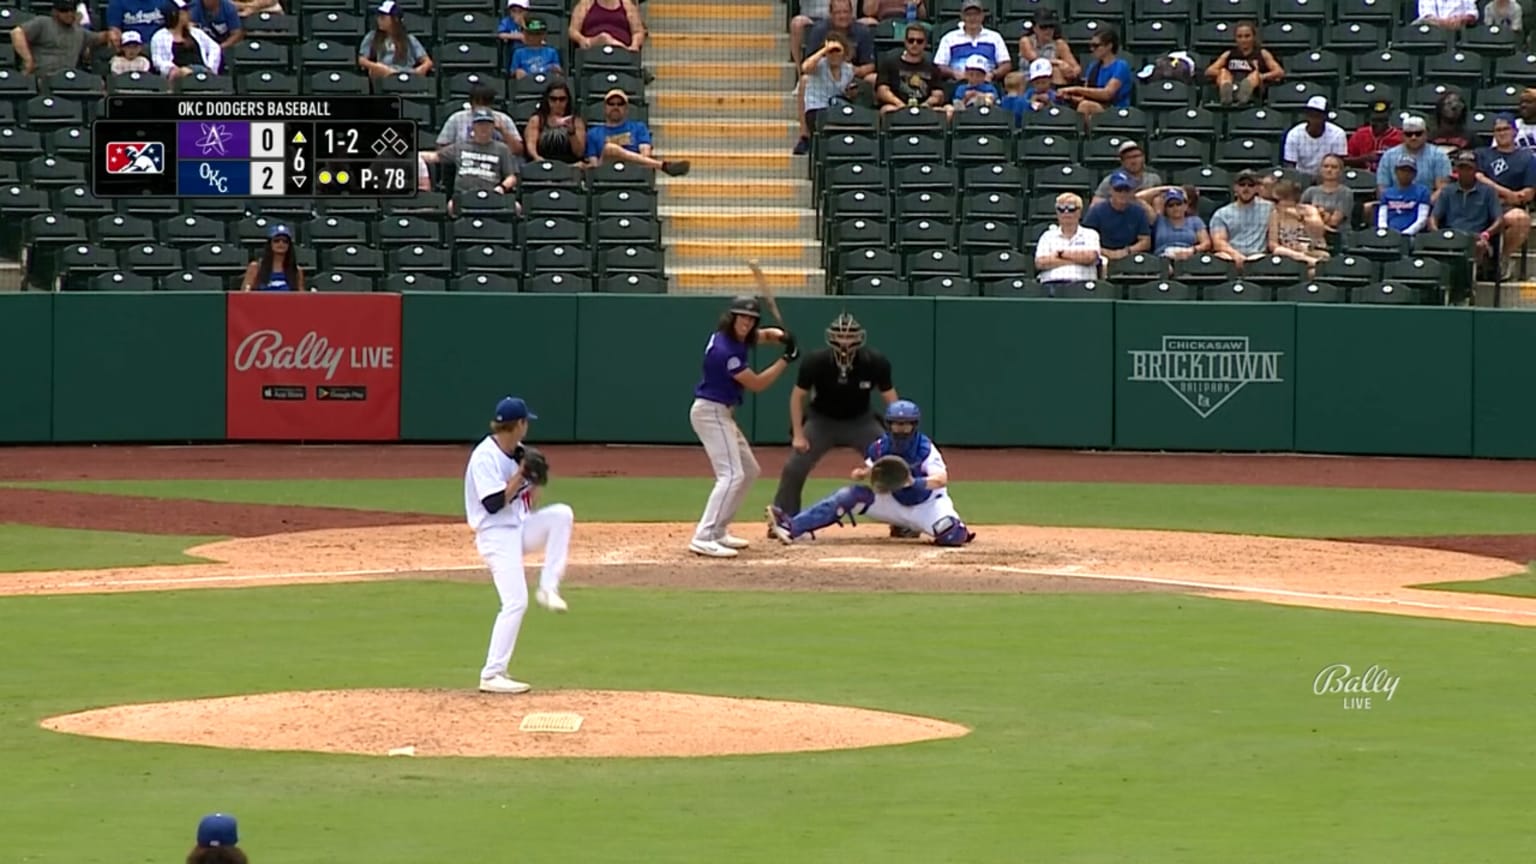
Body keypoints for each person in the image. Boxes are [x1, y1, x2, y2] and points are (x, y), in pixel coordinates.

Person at [464, 396, 572, 694]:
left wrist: (534, 482)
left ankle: (548, 588)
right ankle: (492, 674)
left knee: (562, 515)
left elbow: (528, 502)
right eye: (526, 423)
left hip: (518, 528)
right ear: (520, 424)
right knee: (515, 601)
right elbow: (493, 504)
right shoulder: (485, 457)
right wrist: (521, 474)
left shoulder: (519, 452)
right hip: (495, 535)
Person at [767, 400, 976, 548]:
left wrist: (913, 482)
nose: (900, 429)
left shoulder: (925, 448)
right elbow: (874, 468)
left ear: (914, 426)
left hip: (927, 505)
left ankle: (955, 528)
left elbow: (941, 480)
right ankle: (792, 527)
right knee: (848, 495)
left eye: (905, 425)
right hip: (893, 503)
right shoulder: (880, 446)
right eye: (896, 424)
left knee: (950, 534)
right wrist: (863, 473)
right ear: (889, 425)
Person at [689, 292, 798, 559]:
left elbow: (763, 336)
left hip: (720, 413)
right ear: (732, 317)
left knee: (749, 470)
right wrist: (786, 359)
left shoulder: (733, 337)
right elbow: (757, 384)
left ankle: (718, 531)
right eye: (742, 318)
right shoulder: (726, 352)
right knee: (731, 475)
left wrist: (782, 337)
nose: (746, 323)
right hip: (711, 412)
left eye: (751, 319)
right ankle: (704, 536)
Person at [770, 312, 900, 525]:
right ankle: (784, 518)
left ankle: (902, 521)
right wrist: (798, 434)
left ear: (859, 337)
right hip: (822, 421)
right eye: (840, 336)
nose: (845, 342)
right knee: (795, 466)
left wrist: (896, 433)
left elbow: (891, 398)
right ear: (831, 337)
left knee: (892, 464)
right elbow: (797, 396)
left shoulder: (874, 361)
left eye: (850, 336)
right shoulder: (815, 361)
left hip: (861, 421)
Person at [1477, 113, 1536, 278]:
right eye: (1498, 130)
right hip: (1479, 203)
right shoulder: (1482, 154)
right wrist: (1507, 193)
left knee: (1521, 219)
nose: (1502, 133)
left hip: (1506, 208)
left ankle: (1501, 259)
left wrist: (1509, 196)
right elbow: (1477, 178)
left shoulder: (1527, 158)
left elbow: (1528, 194)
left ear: (1515, 132)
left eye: (1506, 129)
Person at [420, 109, 519, 203]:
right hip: (463, 195)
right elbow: (434, 156)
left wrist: (502, 187)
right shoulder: (460, 146)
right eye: (480, 124)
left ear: (493, 127)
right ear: (473, 126)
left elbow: (512, 177)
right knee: (451, 206)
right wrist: (415, 155)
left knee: (516, 207)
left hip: (492, 194)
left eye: (487, 125)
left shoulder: (502, 149)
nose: (484, 128)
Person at [585, 89, 691, 176]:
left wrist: (623, 156)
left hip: (634, 172)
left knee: (612, 148)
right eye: (611, 104)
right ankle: (663, 166)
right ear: (605, 108)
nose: (615, 107)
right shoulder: (593, 133)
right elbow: (594, 164)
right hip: (606, 174)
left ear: (626, 109)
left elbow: (646, 154)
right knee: (610, 148)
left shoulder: (639, 128)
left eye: (620, 104)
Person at [11, 0, 105, 77]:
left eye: (72, 10)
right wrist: (28, 60)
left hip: (69, 78)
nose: (69, 13)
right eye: (64, 10)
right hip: (42, 76)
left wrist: (110, 34)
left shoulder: (79, 32)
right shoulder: (43, 23)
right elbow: (17, 33)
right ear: (54, 12)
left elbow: (100, 37)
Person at [1056, 26, 1132, 119]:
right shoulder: (1093, 67)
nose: (1092, 49)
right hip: (1097, 106)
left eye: (1096, 46)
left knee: (1086, 106)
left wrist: (1075, 89)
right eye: (1091, 46)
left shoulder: (1120, 66)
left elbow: (1107, 94)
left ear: (1109, 46)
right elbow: (1086, 95)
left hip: (1116, 109)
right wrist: (1070, 97)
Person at [1203, 20, 1283, 107]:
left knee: (1254, 75)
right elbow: (1209, 71)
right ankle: (1226, 96)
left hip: (1254, 88)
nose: (1243, 40)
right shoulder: (1229, 54)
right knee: (1223, 72)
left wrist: (1262, 76)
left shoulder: (1262, 53)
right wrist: (1226, 74)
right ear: (1235, 38)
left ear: (1254, 37)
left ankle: (1244, 96)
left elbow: (1279, 72)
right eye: (1239, 36)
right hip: (1232, 82)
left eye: (1247, 36)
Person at [800, 33, 860, 143]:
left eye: (838, 51)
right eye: (831, 52)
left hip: (836, 109)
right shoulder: (818, 65)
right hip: (816, 110)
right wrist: (824, 50)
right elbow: (805, 68)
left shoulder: (848, 69)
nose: (834, 55)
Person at [874, 22, 945, 114]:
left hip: (925, 107)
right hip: (897, 106)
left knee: (946, 110)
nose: (915, 44)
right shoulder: (890, 62)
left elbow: (938, 94)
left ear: (925, 43)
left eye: (919, 41)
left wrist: (925, 105)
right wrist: (900, 104)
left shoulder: (932, 66)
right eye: (911, 40)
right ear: (905, 41)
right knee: (887, 110)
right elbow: (882, 91)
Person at [1210, 169, 1276, 268]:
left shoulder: (1270, 208)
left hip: (1259, 257)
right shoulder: (1222, 213)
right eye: (1242, 185)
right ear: (1235, 187)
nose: (1246, 188)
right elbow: (1219, 242)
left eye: (1251, 185)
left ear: (1257, 188)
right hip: (1231, 256)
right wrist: (1235, 255)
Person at [934, 0, 1011, 82]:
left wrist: (993, 74)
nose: (973, 18)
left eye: (976, 14)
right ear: (962, 17)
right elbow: (940, 65)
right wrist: (954, 73)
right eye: (969, 14)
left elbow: (1006, 64)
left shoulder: (995, 37)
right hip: (958, 83)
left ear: (982, 16)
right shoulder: (949, 38)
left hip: (987, 83)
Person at [1376, 115, 1450, 200]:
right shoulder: (1388, 156)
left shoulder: (1439, 155)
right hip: (1394, 203)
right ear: (1403, 135)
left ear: (1426, 134)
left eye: (1418, 134)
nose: (1413, 137)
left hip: (1429, 203)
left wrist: (1424, 204)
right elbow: (1382, 189)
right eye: (1409, 134)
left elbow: (1442, 189)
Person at [437, 82, 523, 154]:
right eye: (478, 103)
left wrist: (503, 131)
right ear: (471, 103)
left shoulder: (504, 119)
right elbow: (441, 148)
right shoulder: (456, 118)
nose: (482, 107)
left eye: (486, 103)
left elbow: (518, 151)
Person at [1034, 192, 1102, 282]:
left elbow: (1090, 257)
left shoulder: (1090, 234)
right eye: (1061, 209)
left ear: (1079, 212)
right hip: (1052, 284)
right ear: (1057, 213)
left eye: (1071, 208)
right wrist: (1077, 260)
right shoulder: (1047, 236)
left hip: (1082, 284)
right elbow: (1041, 263)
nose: (1066, 212)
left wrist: (1061, 254)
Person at [1084, 171, 1152, 259]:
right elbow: (1086, 239)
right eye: (1118, 190)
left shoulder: (1138, 211)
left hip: (1130, 256)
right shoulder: (1097, 210)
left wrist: (1127, 251)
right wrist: (1106, 252)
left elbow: (1145, 242)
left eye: (1127, 190)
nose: (1123, 194)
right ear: (1110, 190)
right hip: (1102, 255)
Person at [1268, 179, 1330, 274]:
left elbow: (1318, 233)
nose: (1276, 204)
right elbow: (1273, 244)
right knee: (1278, 251)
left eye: (1277, 200)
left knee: (1313, 271)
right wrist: (1296, 254)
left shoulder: (1309, 210)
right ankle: (1309, 261)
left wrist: (1300, 218)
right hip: (1289, 254)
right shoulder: (1275, 214)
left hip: (1311, 250)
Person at [357, 1, 431, 79]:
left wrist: (420, 70)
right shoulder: (372, 36)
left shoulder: (409, 39)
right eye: (379, 16)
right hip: (385, 75)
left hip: (407, 74)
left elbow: (427, 62)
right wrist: (377, 66)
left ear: (395, 19)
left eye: (383, 17)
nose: (379, 19)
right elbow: (362, 60)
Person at [150, 0, 221, 80]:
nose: (189, 14)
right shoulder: (160, 36)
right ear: (175, 14)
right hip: (178, 76)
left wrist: (210, 66)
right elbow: (158, 60)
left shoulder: (196, 32)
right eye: (185, 12)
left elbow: (215, 48)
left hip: (201, 71)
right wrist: (174, 69)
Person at [523, 80, 586, 164]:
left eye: (562, 99)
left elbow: (579, 153)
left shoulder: (576, 121)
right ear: (547, 100)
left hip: (568, 165)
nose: (557, 103)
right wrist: (538, 158)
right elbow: (531, 146)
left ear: (568, 100)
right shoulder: (537, 120)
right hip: (542, 162)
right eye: (553, 99)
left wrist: (572, 133)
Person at [1283, 96, 1348, 176]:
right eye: (1310, 114)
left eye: (1317, 115)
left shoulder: (1338, 134)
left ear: (1325, 117)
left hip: (1328, 176)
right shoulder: (1294, 134)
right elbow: (1290, 165)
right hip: (1301, 177)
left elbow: (1338, 164)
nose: (1313, 118)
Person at [1144, 186, 1210, 260]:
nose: (1175, 208)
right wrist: (1167, 188)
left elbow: (1206, 243)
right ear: (1165, 208)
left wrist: (1192, 250)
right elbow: (1137, 198)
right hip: (1162, 259)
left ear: (1185, 205)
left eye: (1178, 204)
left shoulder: (1195, 221)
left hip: (1188, 258)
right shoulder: (1158, 220)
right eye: (1170, 205)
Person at [1016, 8, 1078, 87]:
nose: (1048, 30)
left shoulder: (1059, 44)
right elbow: (1036, 60)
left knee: (1057, 72)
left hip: (1048, 83)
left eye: (1051, 27)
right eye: (1043, 27)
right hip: (1027, 80)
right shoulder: (1026, 41)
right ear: (1034, 28)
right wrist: (1059, 63)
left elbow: (1076, 68)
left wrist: (1070, 72)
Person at [1092, 140, 1160, 206]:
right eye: (1128, 158)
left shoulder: (1153, 179)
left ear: (1143, 158)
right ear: (1122, 162)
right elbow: (1095, 204)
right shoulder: (1111, 180)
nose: (1133, 161)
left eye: (1136, 156)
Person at [240, 224, 305, 292]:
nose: (281, 243)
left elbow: (300, 294)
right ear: (270, 244)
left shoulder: (296, 270)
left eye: (285, 241)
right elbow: (245, 292)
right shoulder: (256, 267)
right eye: (276, 241)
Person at [1378, 155, 1433, 235]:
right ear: (1396, 171)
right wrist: (1385, 231)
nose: (1405, 174)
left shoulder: (1422, 191)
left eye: (1409, 171)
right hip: (1389, 233)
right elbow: (1382, 217)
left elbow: (1422, 220)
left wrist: (1406, 234)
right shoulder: (1387, 192)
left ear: (1415, 174)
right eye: (1402, 170)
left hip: (1412, 235)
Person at [1301, 153, 1354, 233]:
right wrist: (1324, 214)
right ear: (1320, 169)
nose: (1329, 170)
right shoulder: (1310, 191)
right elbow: (1300, 214)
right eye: (1326, 166)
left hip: (1338, 235)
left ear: (1340, 171)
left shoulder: (1345, 192)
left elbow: (1334, 221)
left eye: (1334, 167)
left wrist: (1315, 213)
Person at [1345, 101, 1403, 172]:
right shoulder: (1360, 134)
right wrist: (1365, 158)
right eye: (1375, 120)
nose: (1379, 124)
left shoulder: (1400, 137)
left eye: (1383, 120)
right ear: (1369, 119)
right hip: (1364, 176)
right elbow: (1345, 161)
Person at [569, 0, 645, 52]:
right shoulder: (586, 3)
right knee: (603, 37)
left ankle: (616, 45)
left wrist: (634, 45)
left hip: (623, 54)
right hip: (593, 48)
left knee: (605, 38)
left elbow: (638, 31)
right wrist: (582, 40)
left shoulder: (627, 4)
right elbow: (573, 30)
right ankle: (615, 44)